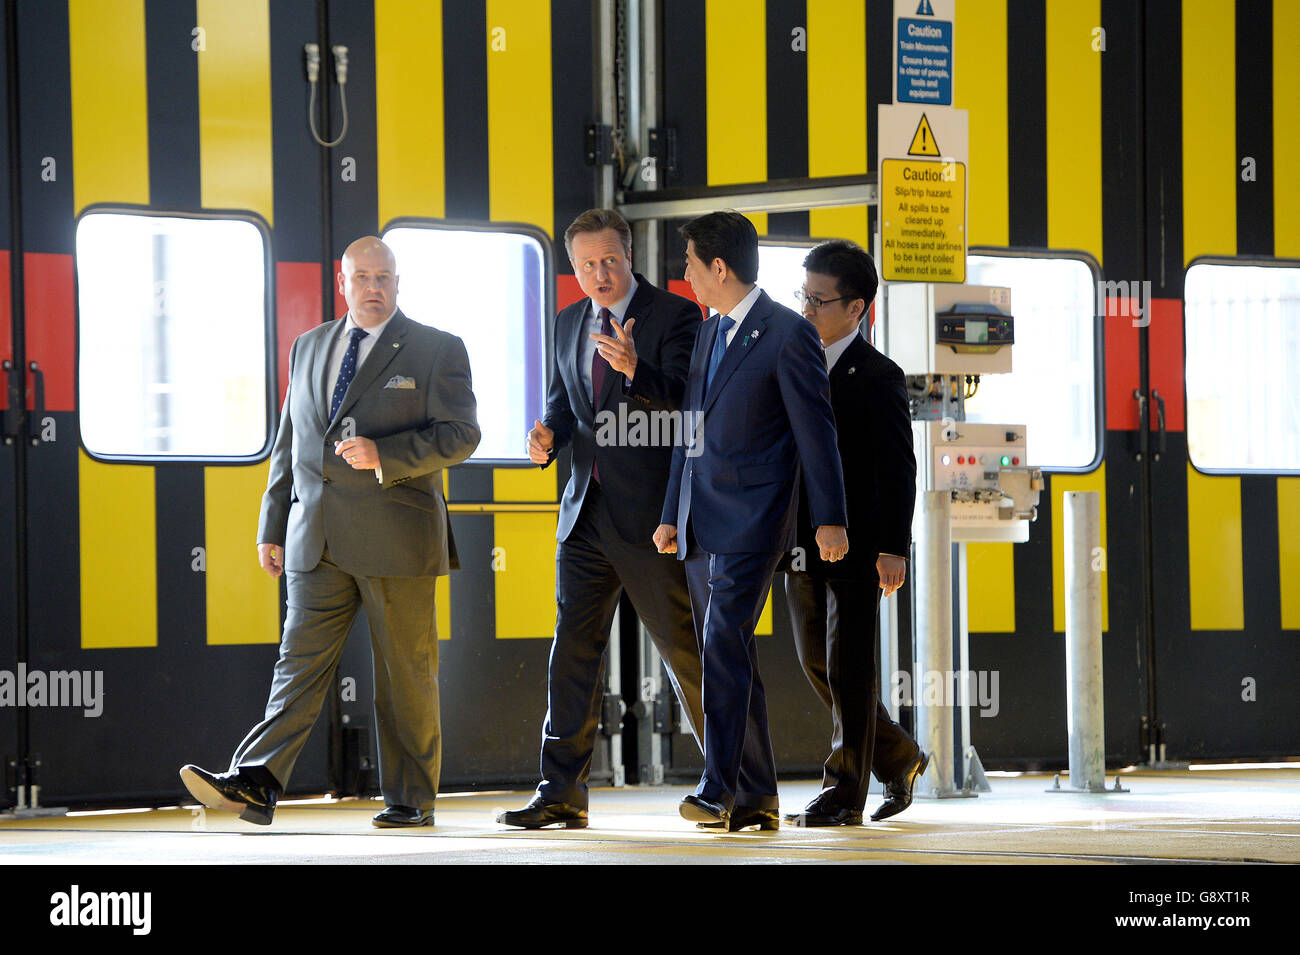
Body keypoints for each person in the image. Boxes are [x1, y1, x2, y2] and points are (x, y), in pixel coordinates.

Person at [180, 236, 480, 828]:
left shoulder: (436, 348)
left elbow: (461, 435)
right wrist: (273, 522)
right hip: (313, 537)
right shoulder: (309, 345)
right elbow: (290, 441)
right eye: (362, 276)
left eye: (384, 276)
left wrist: (384, 454)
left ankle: (410, 800)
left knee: (405, 679)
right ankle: (258, 782)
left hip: (398, 538)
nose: (374, 286)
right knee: (297, 663)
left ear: (399, 282)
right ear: (342, 282)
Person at [496, 209, 708, 830]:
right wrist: (546, 438)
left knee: (686, 651)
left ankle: (732, 779)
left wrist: (635, 370)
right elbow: (565, 404)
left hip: (654, 519)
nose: (599, 274)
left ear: (630, 253)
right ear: (574, 267)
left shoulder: (676, 315)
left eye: (609, 260)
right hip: (583, 513)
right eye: (587, 264)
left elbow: (691, 404)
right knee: (573, 654)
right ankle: (561, 789)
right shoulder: (569, 322)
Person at [654, 211, 848, 832]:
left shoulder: (788, 335)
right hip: (700, 523)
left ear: (718, 267)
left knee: (720, 644)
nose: (683, 275)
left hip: (755, 521)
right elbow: (689, 432)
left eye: (688, 263)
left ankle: (717, 787)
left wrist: (831, 522)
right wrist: (669, 514)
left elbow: (817, 437)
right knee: (730, 651)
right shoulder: (710, 333)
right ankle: (759, 795)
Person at [781, 239, 928, 826]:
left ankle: (845, 793)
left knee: (849, 666)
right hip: (799, 537)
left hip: (860, 544)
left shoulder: (878, 377)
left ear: (857, 308)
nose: (807, 311)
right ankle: (900, 754)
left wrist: (893, 546)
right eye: (803, 297)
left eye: (820, 300)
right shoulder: (794, 362)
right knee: (816, 661)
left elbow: (898, 467)